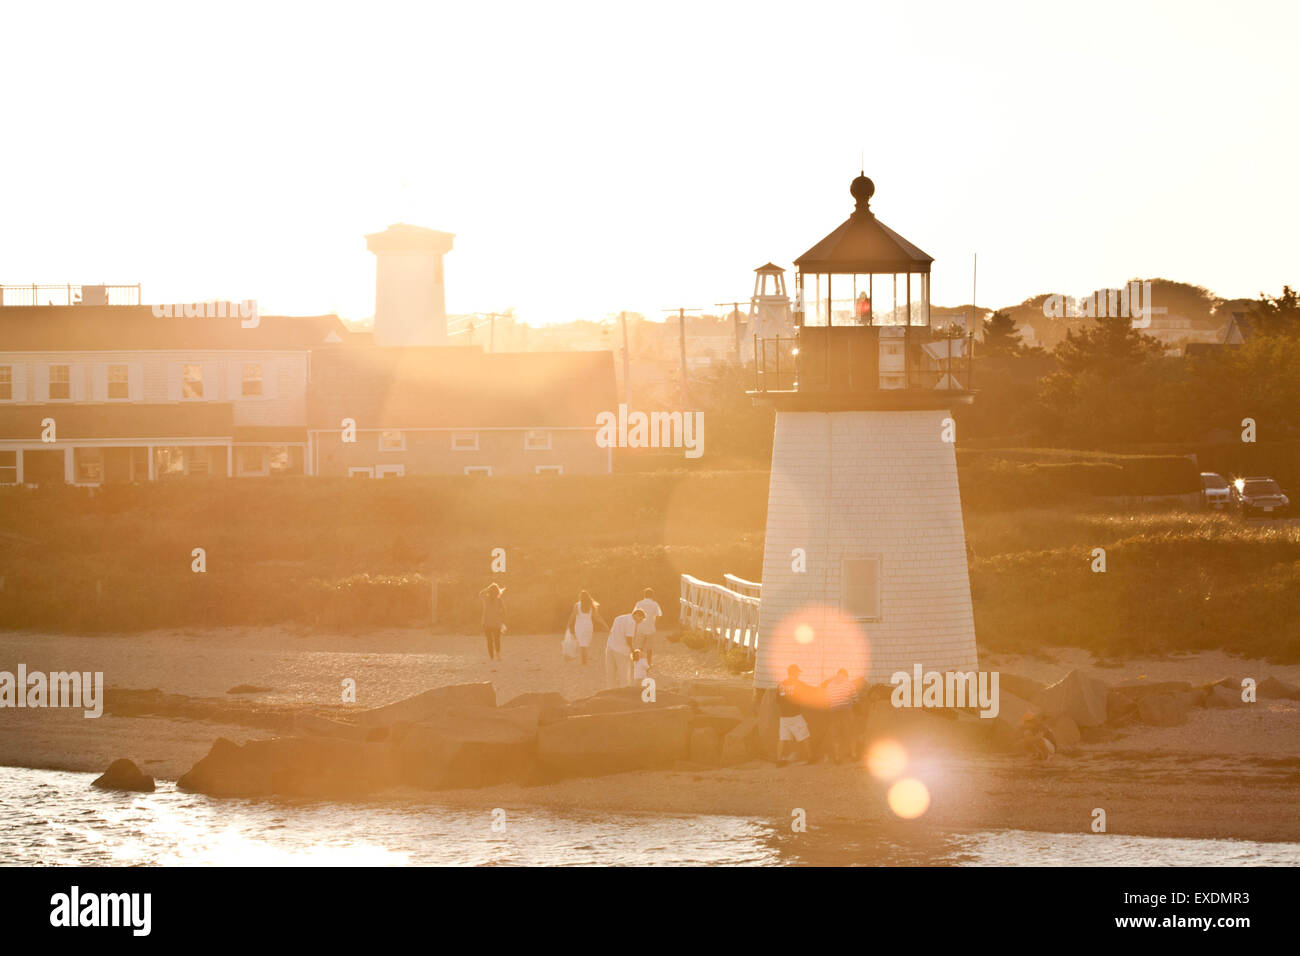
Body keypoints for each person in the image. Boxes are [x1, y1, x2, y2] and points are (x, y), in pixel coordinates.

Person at [776, 664, 812, 765]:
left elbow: (778, 701)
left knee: (782, 738)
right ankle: (810, 757)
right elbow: (807, 693)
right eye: (798, 672)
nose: (799, 674)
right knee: (805, 735)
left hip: (783, 717)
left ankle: (778, 760)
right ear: (795, 673)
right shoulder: (799, 684)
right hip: (795, 715)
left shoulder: (780, 685)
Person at [565, 590, 608, 666]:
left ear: (580, 597)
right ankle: (584, 661)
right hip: (588, 625)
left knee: (582, 644)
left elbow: (573, 616)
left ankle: (584, 662)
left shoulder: (577, 605)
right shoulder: (591, 606)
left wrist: (568, 624)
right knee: (585, 644)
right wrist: (605, 625)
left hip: (579, 626)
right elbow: (597, 617)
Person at [605, 607, 645, 688]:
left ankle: (610, 692)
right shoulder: (632, 622)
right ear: (637, 615)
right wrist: (633, 651)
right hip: (622, 651)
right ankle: (624, 694)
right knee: (624, 677)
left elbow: (611, 632)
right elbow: (629, 639)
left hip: (610, 647)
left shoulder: (619, 618)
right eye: (640, 620)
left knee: (610, 674)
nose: (639, 622)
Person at [823, 668, 856, 764]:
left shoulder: (829, 685)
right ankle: (853, 754)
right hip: (846, 710)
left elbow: (827, 700)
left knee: (836, 734)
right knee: (850, 732)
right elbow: (855, 697)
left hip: (834, 711)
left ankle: (837, 757)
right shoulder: (849, 683)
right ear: (846, 675)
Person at [633, 588, 663, 665]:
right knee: (649, 648)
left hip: (640, 627)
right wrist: (655, 623)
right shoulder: (655, 604)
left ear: (644, 595)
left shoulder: (639, 603)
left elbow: (634, 614)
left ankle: (638, 662)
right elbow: (659, 615)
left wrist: (636, 623)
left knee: (639, 646)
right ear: (652, 595)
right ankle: (648, 663)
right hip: (650, 627)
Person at [479, 583, 506, 662]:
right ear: (498, 591)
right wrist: (502, 619)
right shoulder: (499, 600)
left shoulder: (485, 599)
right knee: (497, 639)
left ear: (489, 591)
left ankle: (491, 657)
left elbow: (480, 594)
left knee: (489, 640)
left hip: (486, 622)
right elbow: (504, 611)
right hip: (496, 622)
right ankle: (498, 654)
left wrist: (487, 588)